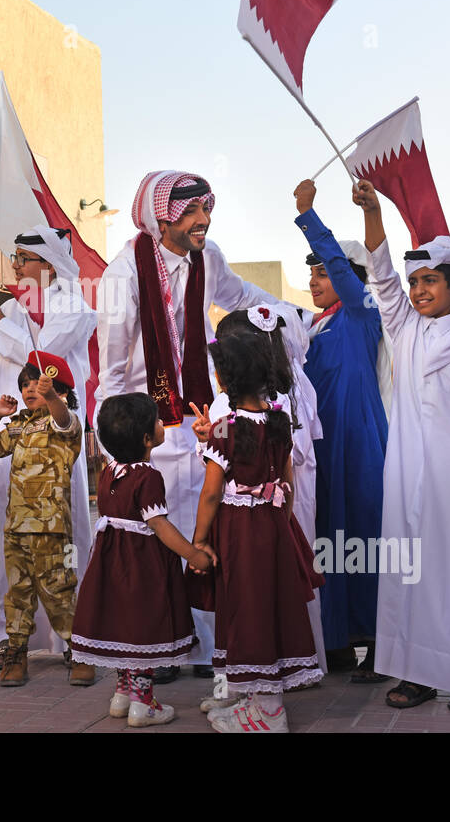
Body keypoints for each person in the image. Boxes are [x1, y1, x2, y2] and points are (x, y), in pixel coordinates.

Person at [96, 171, 279, 680]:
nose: (203, 221)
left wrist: (284, 313)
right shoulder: (122, 276)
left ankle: (204, 649)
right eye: (192, 213)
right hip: (146, 432)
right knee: (153, 541)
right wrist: (117, 452)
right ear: (162, 218)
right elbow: (111, 374)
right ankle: (158, 648)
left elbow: (240, 295)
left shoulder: (208, 257)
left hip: (198, 422)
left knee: (205, 531)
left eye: (206, 209)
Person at [352, 181, 450, 710]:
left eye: (432, 281)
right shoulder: (404, 330)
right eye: (416, 281)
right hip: (407, 480)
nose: (418, 290)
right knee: (409, 578)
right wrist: (374, 212)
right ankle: (415, 673)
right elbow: (381, 275)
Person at [0, 226, 96, 671]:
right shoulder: (9, 308)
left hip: (55, 440)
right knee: (6, 542)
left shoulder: (73, 306)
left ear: (48, 265)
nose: (16, 266)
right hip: (11, 434)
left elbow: (43, 364)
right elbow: (1, 371)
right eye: (15, 257)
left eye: (23, 257)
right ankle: (12, 638)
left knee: (61, 541)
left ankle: (73, 639)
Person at [192, 328, 325, 733]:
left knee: (247, 608)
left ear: (226, 379)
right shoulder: (280, 420)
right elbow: (286, 479)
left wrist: (199, 539)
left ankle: (268, 712)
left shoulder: (226, 428)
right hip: (272, 525)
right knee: (267, 606)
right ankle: (253, 695)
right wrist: (280, 527)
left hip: (239, 532)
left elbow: (213, 493)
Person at [293, 179, 389, 680]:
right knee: (328, 541)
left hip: (361, 441)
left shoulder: (361, 312)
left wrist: (310, 217)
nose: (315, 281)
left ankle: (379, 645)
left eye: (324, 272)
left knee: (366, 540)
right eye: (310, 274)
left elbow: (346, 276)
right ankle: (334, 641)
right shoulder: (311, 325)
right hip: (322, 448)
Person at [69, 392, 208, 726]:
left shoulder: (108, 471)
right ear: (148, 438)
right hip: (141, 566)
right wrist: (192, 553)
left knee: (122, 627)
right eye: (159, 421)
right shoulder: (148, 476)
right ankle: (143, 703)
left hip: (110, 564)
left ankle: (122, 694)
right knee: (143, 629)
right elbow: (158, 524)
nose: (163, 425)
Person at [0, 351, 94, 687]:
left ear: (62, 394)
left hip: (52, 528)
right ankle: (17, 654)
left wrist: (52, 396)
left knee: (59, 592)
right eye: (25, 384)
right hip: (16, 528)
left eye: (37, 385)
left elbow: (64, 419)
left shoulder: (65, 424)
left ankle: (79, 651)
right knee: (18, 595)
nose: (29, 390)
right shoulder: (18, 426)